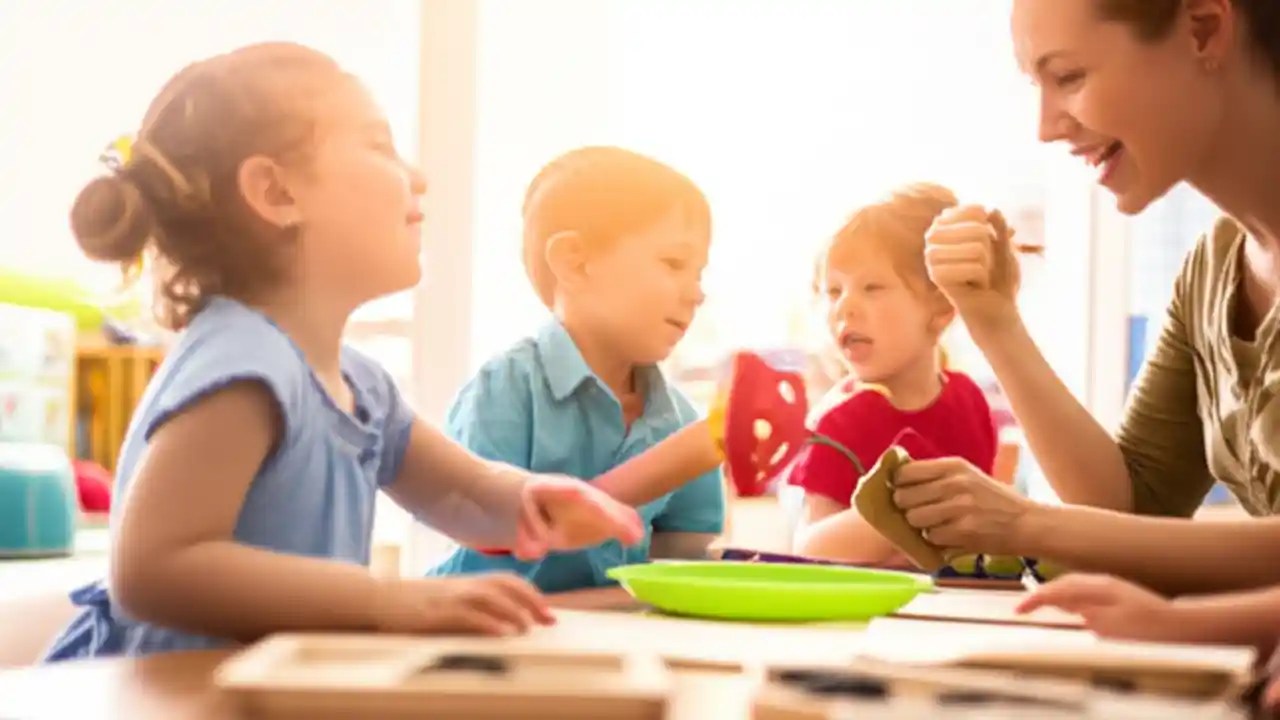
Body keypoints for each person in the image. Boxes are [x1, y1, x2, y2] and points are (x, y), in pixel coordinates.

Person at [43, 43, 643, 661]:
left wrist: (528, 500)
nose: (420, 177)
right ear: (277, 193)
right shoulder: (243, 365)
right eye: (380, 146)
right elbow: (153, 569)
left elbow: (459, 492)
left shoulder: (362, 386)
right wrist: (385, 603)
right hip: (158, 698)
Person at [883, 0, 1280, 673]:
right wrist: (994, 321)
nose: (1045, 127)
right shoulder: (1212, 268)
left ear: (1203, 29)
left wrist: (1027, 524)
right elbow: (1127, 511)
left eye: (1068, 76)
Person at [425, 146, 725, 592]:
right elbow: (493, 540)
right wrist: (673, 461)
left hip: (604, 636)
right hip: (489, 635)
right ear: (574, 261)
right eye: (674, 264)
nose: (697, 293)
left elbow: (683, 566)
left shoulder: (681, 419)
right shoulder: (504, 391)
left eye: (699, 273)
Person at [790, 183, 998, 565]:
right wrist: (897, 516)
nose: (845, 308)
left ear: (941, 308)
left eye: (872, 287)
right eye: (834, 291)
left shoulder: (969, 401)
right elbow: (809, 548)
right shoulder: (840, 419)